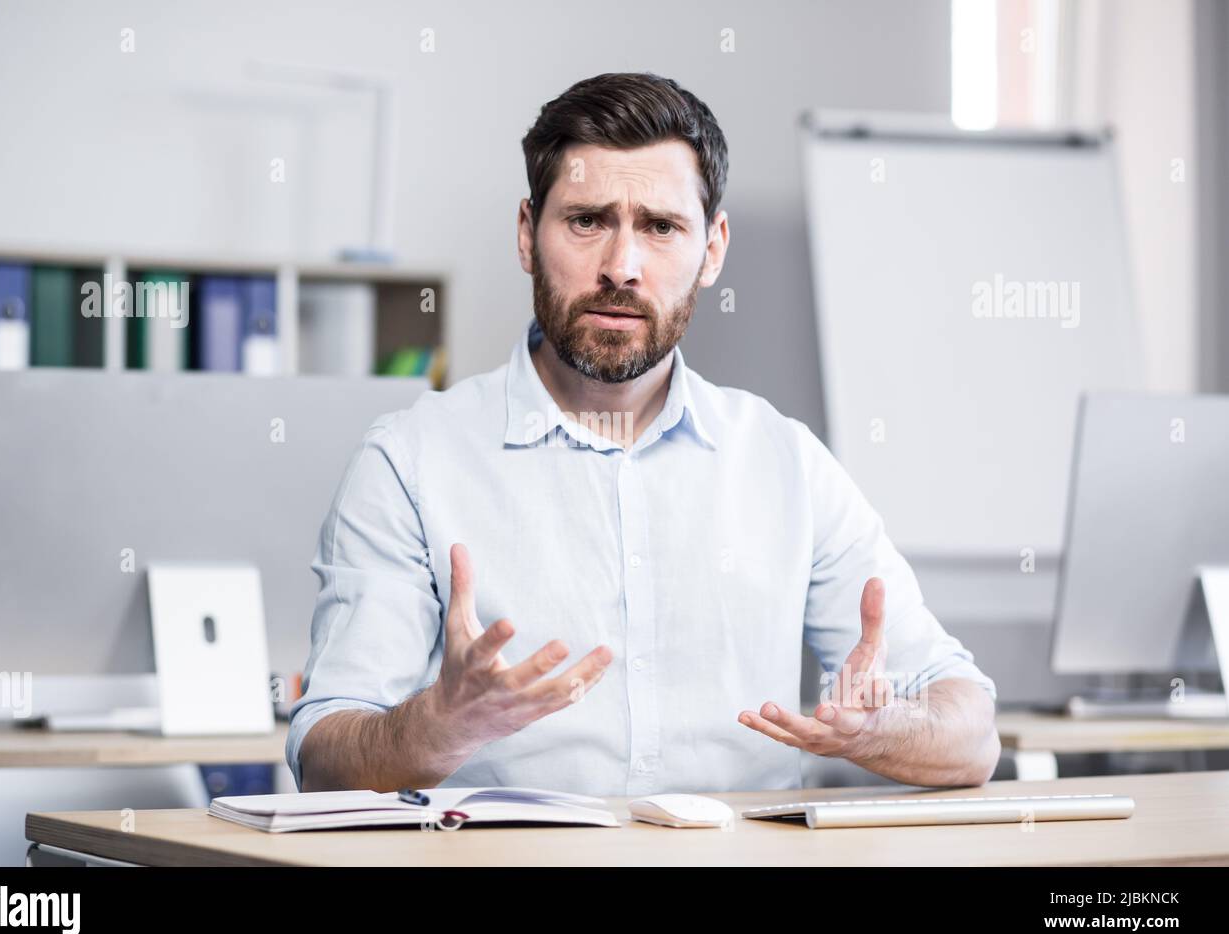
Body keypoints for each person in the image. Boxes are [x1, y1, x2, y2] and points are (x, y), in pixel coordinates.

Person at [289, 72, 999, 796]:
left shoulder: (786, 462)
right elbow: (325, 756)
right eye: (587, 221)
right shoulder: (410, 461)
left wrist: (883, 734)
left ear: (713, 248)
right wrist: (444, 724)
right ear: (528, 234)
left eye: (661, 227)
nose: (620, 268)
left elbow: (972, 736)